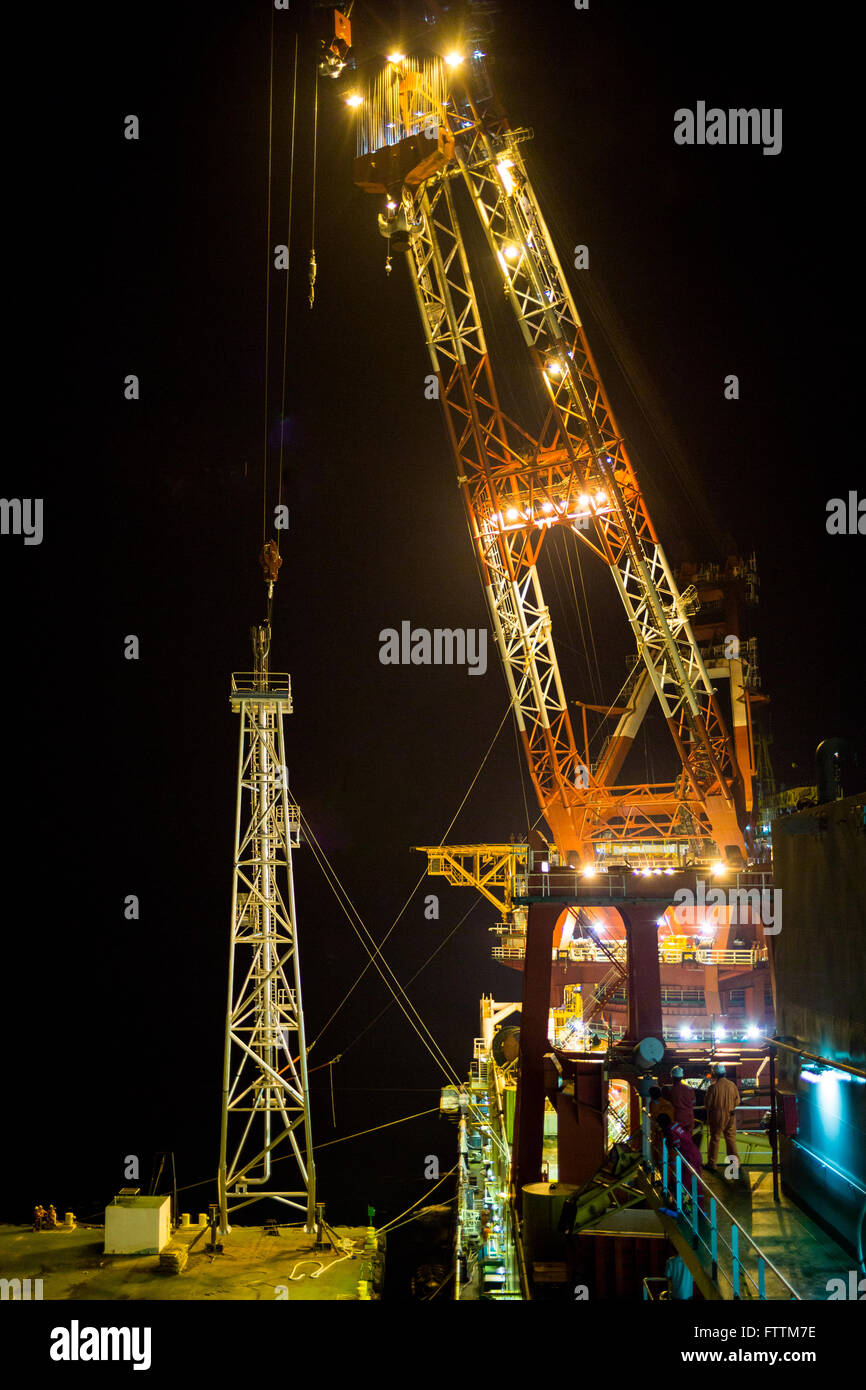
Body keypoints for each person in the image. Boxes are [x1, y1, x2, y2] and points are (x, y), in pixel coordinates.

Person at [705, 1063, 741, 1171]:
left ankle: (712, 1164)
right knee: (730, 1139)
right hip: (731, 1114)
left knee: (715, 1139)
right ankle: (735, 1164)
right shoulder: (732, 1085)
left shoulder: (713, 1087)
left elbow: (708, 1104)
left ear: (714, 1073)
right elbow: (737, 1101)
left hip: (717, 1116)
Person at [656, 1111, 703, 1177]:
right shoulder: (674, 1125)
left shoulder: (670, 1130)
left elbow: (676, 1143)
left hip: (689, 1157)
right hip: (695, 1153)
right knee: (695, 1179)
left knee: (690, 1180)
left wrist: (668, 1143)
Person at [669, 1066, 696, 1134]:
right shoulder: (690, 1089)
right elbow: (694, 1103)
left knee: (677, 1140)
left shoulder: (671, 1091)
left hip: (677, 1119)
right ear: (682, 1077)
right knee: (688, 1140)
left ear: (672, 1077)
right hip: (689, 1119)